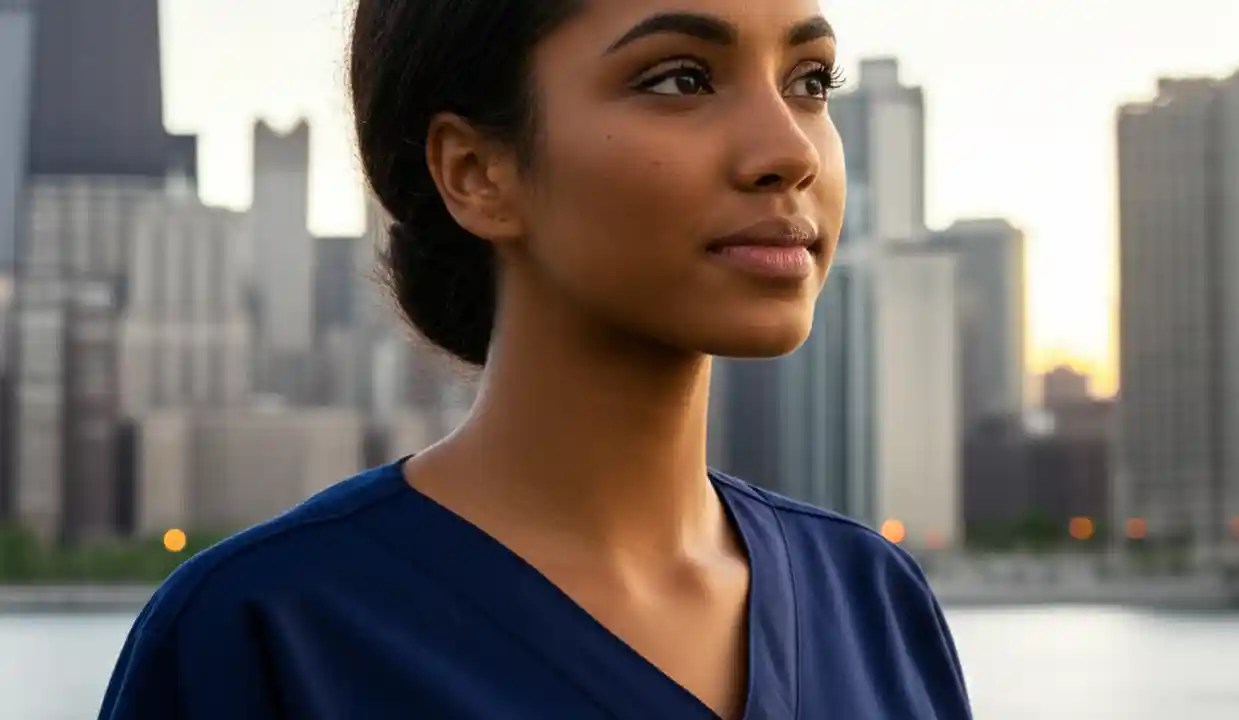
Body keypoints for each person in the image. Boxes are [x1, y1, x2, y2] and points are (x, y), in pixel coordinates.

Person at [99, 0, 972, 717]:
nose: (788, 152)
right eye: (681, 78)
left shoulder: (872, 603)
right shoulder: (266, 637)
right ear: (477, 171)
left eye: (809, 82)